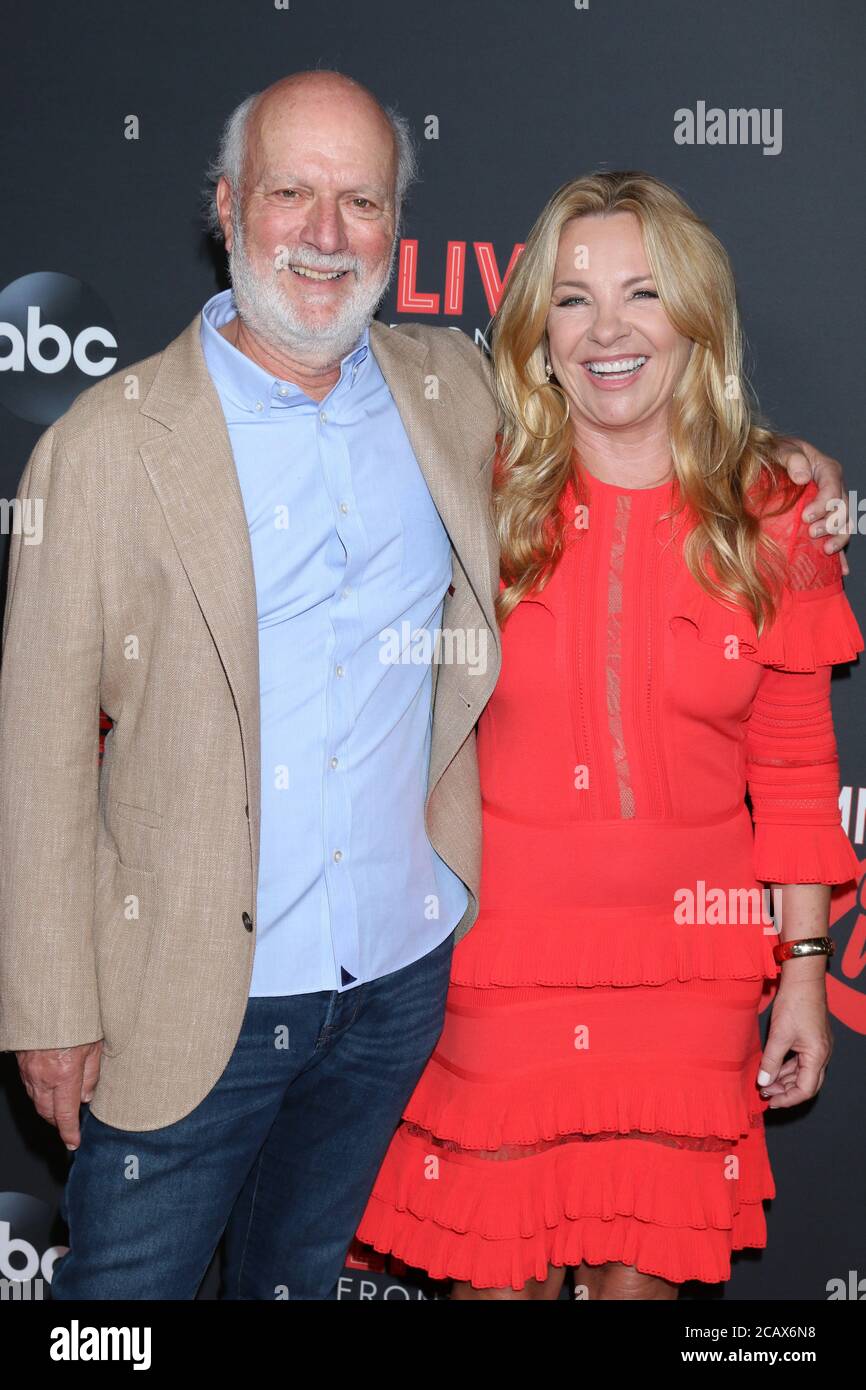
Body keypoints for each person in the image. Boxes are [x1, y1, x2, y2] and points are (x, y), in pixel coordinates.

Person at [0, 70, 849, 1300]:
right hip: (290, 991)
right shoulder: (139, 444)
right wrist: (48, 1006)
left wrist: (781, 463)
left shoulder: (467, 412)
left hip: (516, 991)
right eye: (292, 194)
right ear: (229, 208)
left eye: (359, 200)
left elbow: (785, 742)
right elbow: (33, 753)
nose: (324, 233)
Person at [356, 171, 863, 1300]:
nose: (608, 329)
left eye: (640, 292)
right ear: (536, 335)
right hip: (495, 965)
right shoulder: (466, 497)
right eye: (573, 299)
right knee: (500, 1283)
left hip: (690, 976)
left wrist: (801, 968)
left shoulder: (776, 517)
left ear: (695, 320)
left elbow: (791, 772)